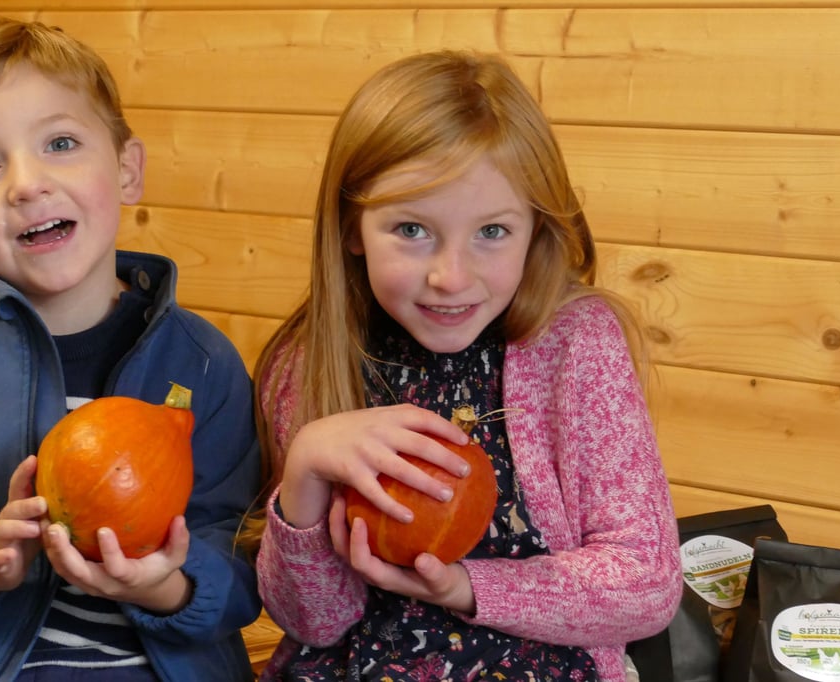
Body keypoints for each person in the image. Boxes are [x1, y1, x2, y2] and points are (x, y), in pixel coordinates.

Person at [0, 18, 261, 681]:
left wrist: (162, 586)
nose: (26, 184)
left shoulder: (205, 365)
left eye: (60, 143)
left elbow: (240, 558)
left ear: (126, 171)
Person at [251, 50, 683, 682]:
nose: (450, 277)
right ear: (351, 227)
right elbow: (314, 622)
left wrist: (462, 587)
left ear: (535, 228)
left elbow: (645, 585)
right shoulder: (310, 360)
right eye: (410, 229)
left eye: (492, 232)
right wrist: (307, 470)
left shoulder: (574, 344)